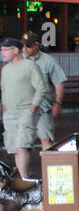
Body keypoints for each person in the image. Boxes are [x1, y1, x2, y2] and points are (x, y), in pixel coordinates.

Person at [0, 38, 47, 179]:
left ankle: (24, 179)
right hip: (9, 113)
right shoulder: (6, 69)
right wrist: (4, 112)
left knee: (22, 145)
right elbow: (4, 91)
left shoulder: (29, 66)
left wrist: (32, 109)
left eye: (5, 50)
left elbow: (41, 88)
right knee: (15, 148)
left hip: (26, 112)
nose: (2, 53)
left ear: (15, 50)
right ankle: (22, 178)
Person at [21, 31, 66, 151]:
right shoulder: (19, 60)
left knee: (46, 141)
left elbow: (59, 82)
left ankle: (48, 168)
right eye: (23, 46)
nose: (25, 49)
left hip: (42, 108)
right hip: (23, 106)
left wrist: (58, 103)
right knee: (21, 144)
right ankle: (22, 170)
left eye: (28, 46)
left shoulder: (48, 61)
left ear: (37, 45)